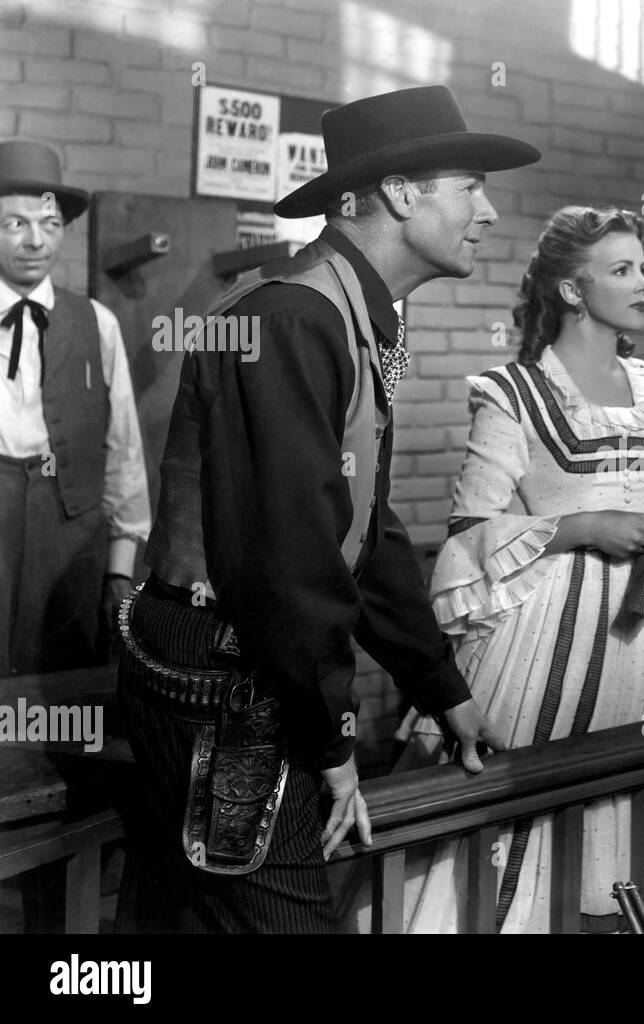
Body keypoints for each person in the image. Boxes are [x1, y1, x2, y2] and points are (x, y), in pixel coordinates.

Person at [114, 86, 534, 932]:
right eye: (470, 186)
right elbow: (289, 562)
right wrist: (333, 741)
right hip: (227, 669)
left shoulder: (349, 309)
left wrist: (438, 682)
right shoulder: (292, 315)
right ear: (402, 193)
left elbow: (361, 531)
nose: (487, 212)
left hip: (255, 657)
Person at [387, 205, 644, 933]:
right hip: (547, 641)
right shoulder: (511, 394)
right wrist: (583, 526)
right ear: (573, 291)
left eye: (642, 266)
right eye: (622, 270)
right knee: (531, 827)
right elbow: (467, 533)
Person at [0, 140, 150, 677]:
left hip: (70, 543)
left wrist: (119, 568)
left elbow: (124, 450)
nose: (35, 241)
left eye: (49, 224)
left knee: (60, 690)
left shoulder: (97, 323)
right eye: (14, 224)